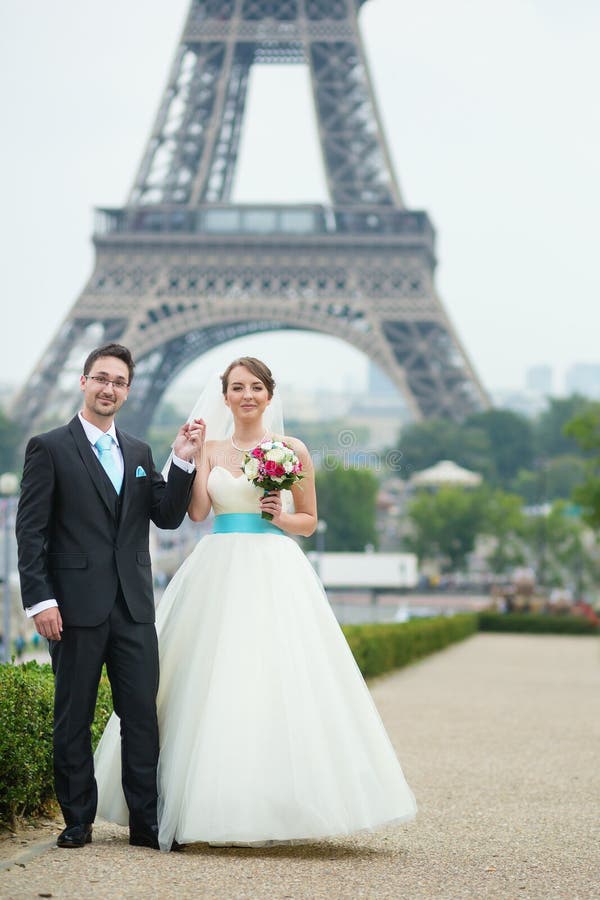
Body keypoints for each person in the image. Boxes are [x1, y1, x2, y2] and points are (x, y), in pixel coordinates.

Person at [94, 357, 416, 849]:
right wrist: (192, 456)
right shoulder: (212, 449)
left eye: (257, 387)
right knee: (211, 678)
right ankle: (205, 804)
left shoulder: (292, 449)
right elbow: (198, 511)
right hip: (218, 564)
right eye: (238, 387)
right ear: (224, 396)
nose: (247, 395)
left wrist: (279, 517)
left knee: (273, 678)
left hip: (273, 565)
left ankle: (273, 805)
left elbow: (308, 519)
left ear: (270, 394)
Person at [16, 343, 201, 851]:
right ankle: (78, 820)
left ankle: (146, 823)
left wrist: (182, 462)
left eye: (119, 382)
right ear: (83, 381)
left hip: (134, 607)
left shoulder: (140, 452)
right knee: (73, 716)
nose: (109, 389)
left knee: (141, 715)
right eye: (101, 378)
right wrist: (40, 600)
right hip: (72, 608)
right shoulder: (48, 447)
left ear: (128, 390)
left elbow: (165, 515)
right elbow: (30, 532)